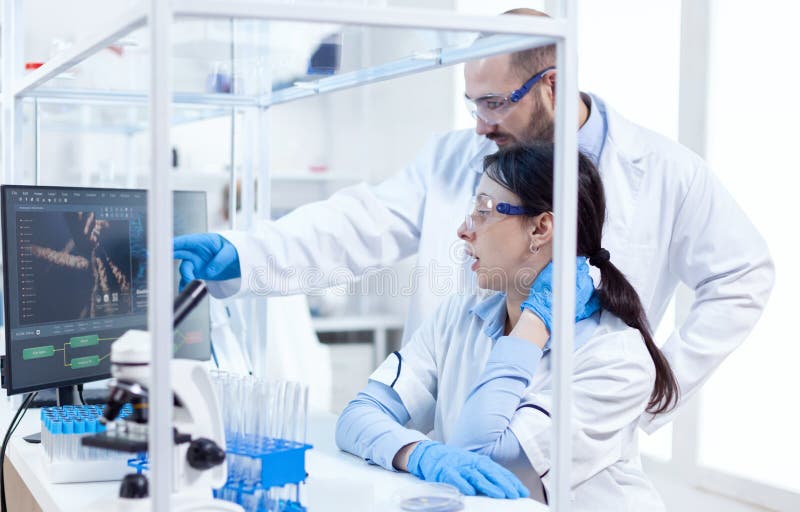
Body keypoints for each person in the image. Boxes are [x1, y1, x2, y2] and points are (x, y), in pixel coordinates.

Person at [173, 8, 774, 432]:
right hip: (455, 430)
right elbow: (357, 224)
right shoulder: (455, 159)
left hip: (576, 452)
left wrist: (655, 389)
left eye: (493, 103)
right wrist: (244, 253)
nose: (479, 123)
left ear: (553, 86)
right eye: (472, 103)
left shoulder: (665, 171)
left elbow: (743, 275)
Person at [336, 144, 677, 512]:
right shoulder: (459, 316)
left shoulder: (614, 356)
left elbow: (485, 456)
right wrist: (419, 453)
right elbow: (356, 417)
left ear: (540, 228)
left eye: (484, 210)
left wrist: (535, 323)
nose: (465, 229)